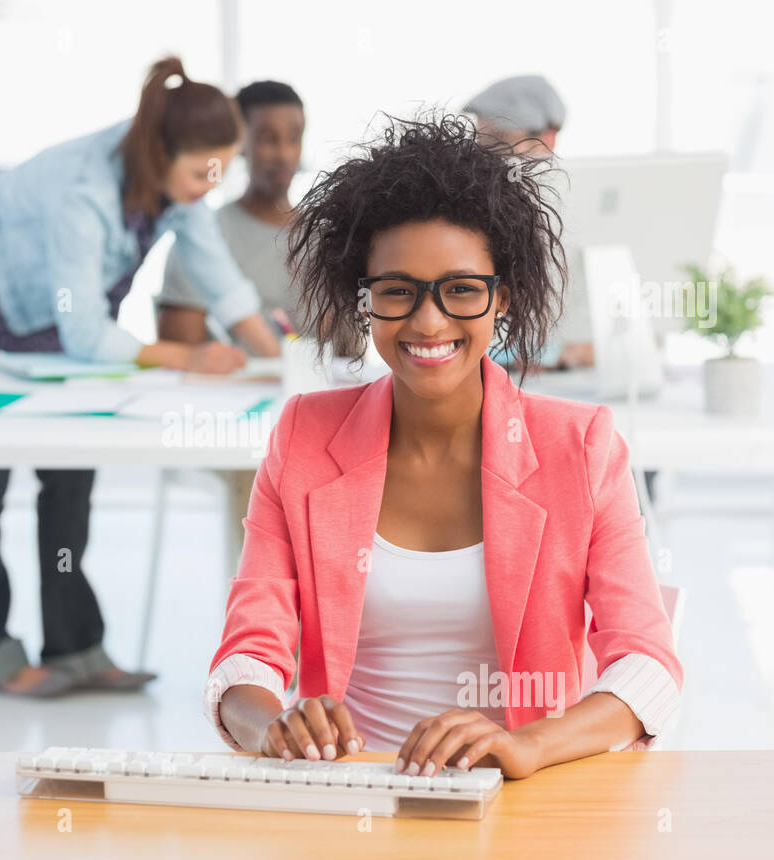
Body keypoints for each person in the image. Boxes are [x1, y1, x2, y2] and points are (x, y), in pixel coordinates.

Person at [204, 113, 682, 778]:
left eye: (461, 290)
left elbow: (647, 666)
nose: (428, 322)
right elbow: (248, 655)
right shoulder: (305, 437)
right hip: (353, 795)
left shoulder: (581, 446)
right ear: (364, 299)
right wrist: (272, 725)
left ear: (503, 297)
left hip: (525, 798)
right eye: (397, 292)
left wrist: (529, 745)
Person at [0, 56, 280, 698]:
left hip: (57, 318)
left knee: (71, 465)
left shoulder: (177, 174)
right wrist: (187, 357)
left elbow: (217, 273)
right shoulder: (84, 191)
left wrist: (274, 359)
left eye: (219, 171)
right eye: (202, 172)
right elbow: (86, 333)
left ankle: (76, 647)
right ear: (163, 153)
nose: (209, 186)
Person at [154, 79, 305, 343]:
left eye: (294, 139)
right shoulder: (201, 235)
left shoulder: (331, 240)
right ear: (238, 143)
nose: (284, 154)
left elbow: (352, 354)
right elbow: (181, 353)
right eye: (268, 140)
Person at [465, 74, 594, 370]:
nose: (480, 148)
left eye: (497, 138)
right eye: (482, 135)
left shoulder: (570, 198)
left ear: (547, 140)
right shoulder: (472, 197)